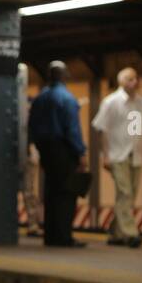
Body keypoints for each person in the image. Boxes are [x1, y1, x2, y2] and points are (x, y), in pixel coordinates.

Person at [91, 67, 142, 247]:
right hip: (117, 156)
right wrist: (105, 156)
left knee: (129, 195)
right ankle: (131, 233)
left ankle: (115, 233)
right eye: (130, 79)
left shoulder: (139, 103)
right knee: (125, 193)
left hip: (135, 155)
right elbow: (102, 129)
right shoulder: (111, 102)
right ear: (121, 81)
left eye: (136, 79)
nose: (135, 82)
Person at [27, 60, 88, 247]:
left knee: (51, 191)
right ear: (64, 75)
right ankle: (63, 237)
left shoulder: (40, 98)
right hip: (64, 150)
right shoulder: (67, 98)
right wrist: (81, 152)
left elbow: (31, 127)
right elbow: (72, 129)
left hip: (45, 150)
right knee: (66, 194)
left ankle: (50, 235)